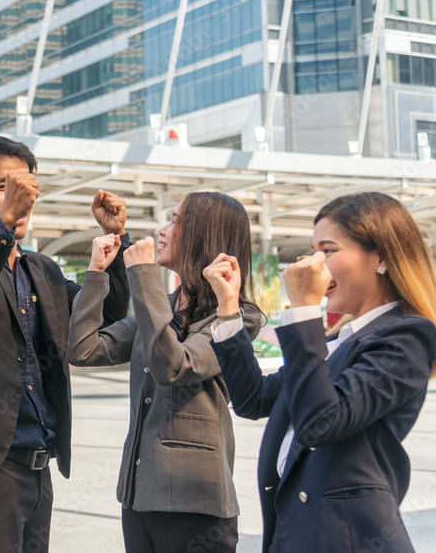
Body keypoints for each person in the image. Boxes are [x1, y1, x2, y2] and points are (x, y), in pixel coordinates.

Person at [0, 136, 130, 552]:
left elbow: (107, 316)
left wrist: (114, 245)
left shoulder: (42, 268)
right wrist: (3, 223)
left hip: (39, 463)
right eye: (2, 187)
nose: (18, 198)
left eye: (24, 188)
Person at [207, 191, 436, 553]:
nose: (314, 262)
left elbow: (321, 421)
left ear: (381, 256)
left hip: (347, 536)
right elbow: (254, 399)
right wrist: (228, 308)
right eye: (313, 250)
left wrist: (302, 311)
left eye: (328, 250)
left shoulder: (406, 334)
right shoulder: (338, 340)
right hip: (298, 531)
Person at [69, 191, 262, 553]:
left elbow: (173, 365)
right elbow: (83, 349)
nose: (162, 230)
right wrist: (96, 273)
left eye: (176, 221)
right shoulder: (165, 306)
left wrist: (144, 275)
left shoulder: (237, 316)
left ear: (206, 235)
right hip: (139, 496)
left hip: (195, 502)